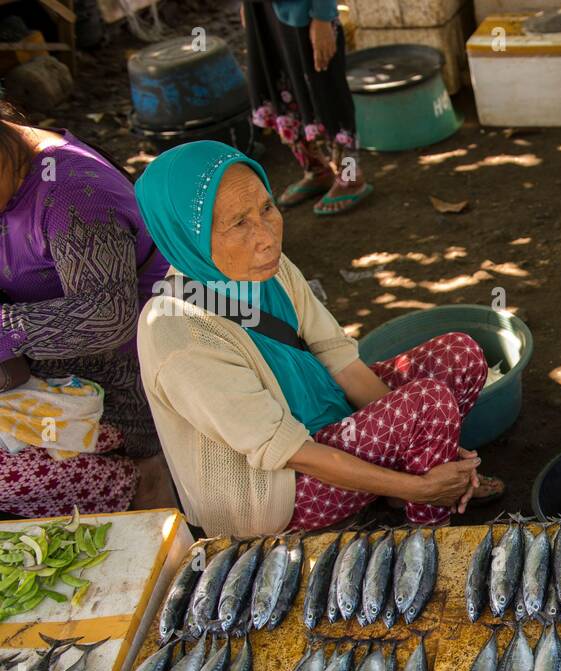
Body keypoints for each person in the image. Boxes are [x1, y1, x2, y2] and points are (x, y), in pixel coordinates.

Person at [133, 141, 503, 538]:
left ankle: (409, 490)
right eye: (239, 223)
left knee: (460, 354)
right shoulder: (180, 334)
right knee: (428, 403)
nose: (266, 236)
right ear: (185, 236)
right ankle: (428, 532)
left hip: (323, 420)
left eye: (267, 208)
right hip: (278, 490)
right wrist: (423, 485)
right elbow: (287, 451)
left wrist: (429, 443)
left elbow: (338, 358)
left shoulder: (265, 265)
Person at [0, 100, 173, 517]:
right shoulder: (13, 165)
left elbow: (107, 318)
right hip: (48, 369)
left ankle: (150, 489)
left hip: (125, 377)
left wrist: (6, 329)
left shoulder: (71, 192)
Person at [242, 0, 372, 215]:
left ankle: (351, 178)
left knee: (327, 91)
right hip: (262, 11)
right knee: (280, 88)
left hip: (307, 11)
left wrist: (323, 16)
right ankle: (316, 170)